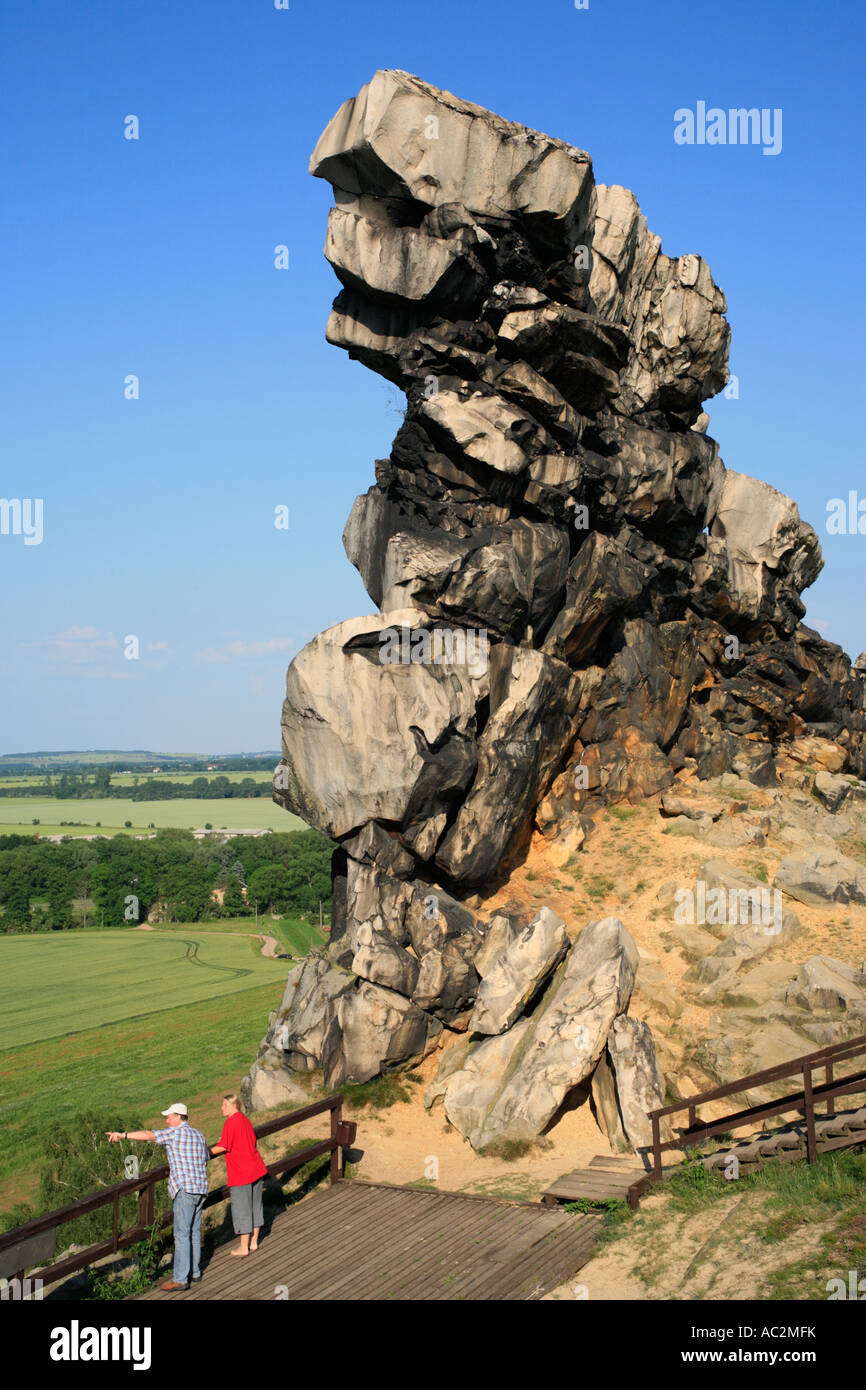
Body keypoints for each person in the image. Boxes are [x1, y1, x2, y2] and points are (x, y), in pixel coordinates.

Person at [106, 1102, 209, 1292]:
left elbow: (148, 1135)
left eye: (169, 1116)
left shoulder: (175, 1133)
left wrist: (123, 1135)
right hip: (201, 1188)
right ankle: (194, 1272)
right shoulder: (198, 1135)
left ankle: (179, 1279)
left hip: (185, 1190)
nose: (166, 1119)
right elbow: (206, 1157)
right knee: (193, 1232)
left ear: (179, 1116)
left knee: (181, 1234)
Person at [208, 1094, 269, 1257]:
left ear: (234, 1105)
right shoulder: (244, 1119)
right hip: (256, 1167)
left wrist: (205, 1152)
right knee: (256, 1205)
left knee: (242, 1208)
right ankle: (254, 1241)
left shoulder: (231, 1122)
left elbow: (223, 1146)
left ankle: (243, 1247)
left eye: (224, 1105)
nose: (221, 1108)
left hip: (241, 1172)